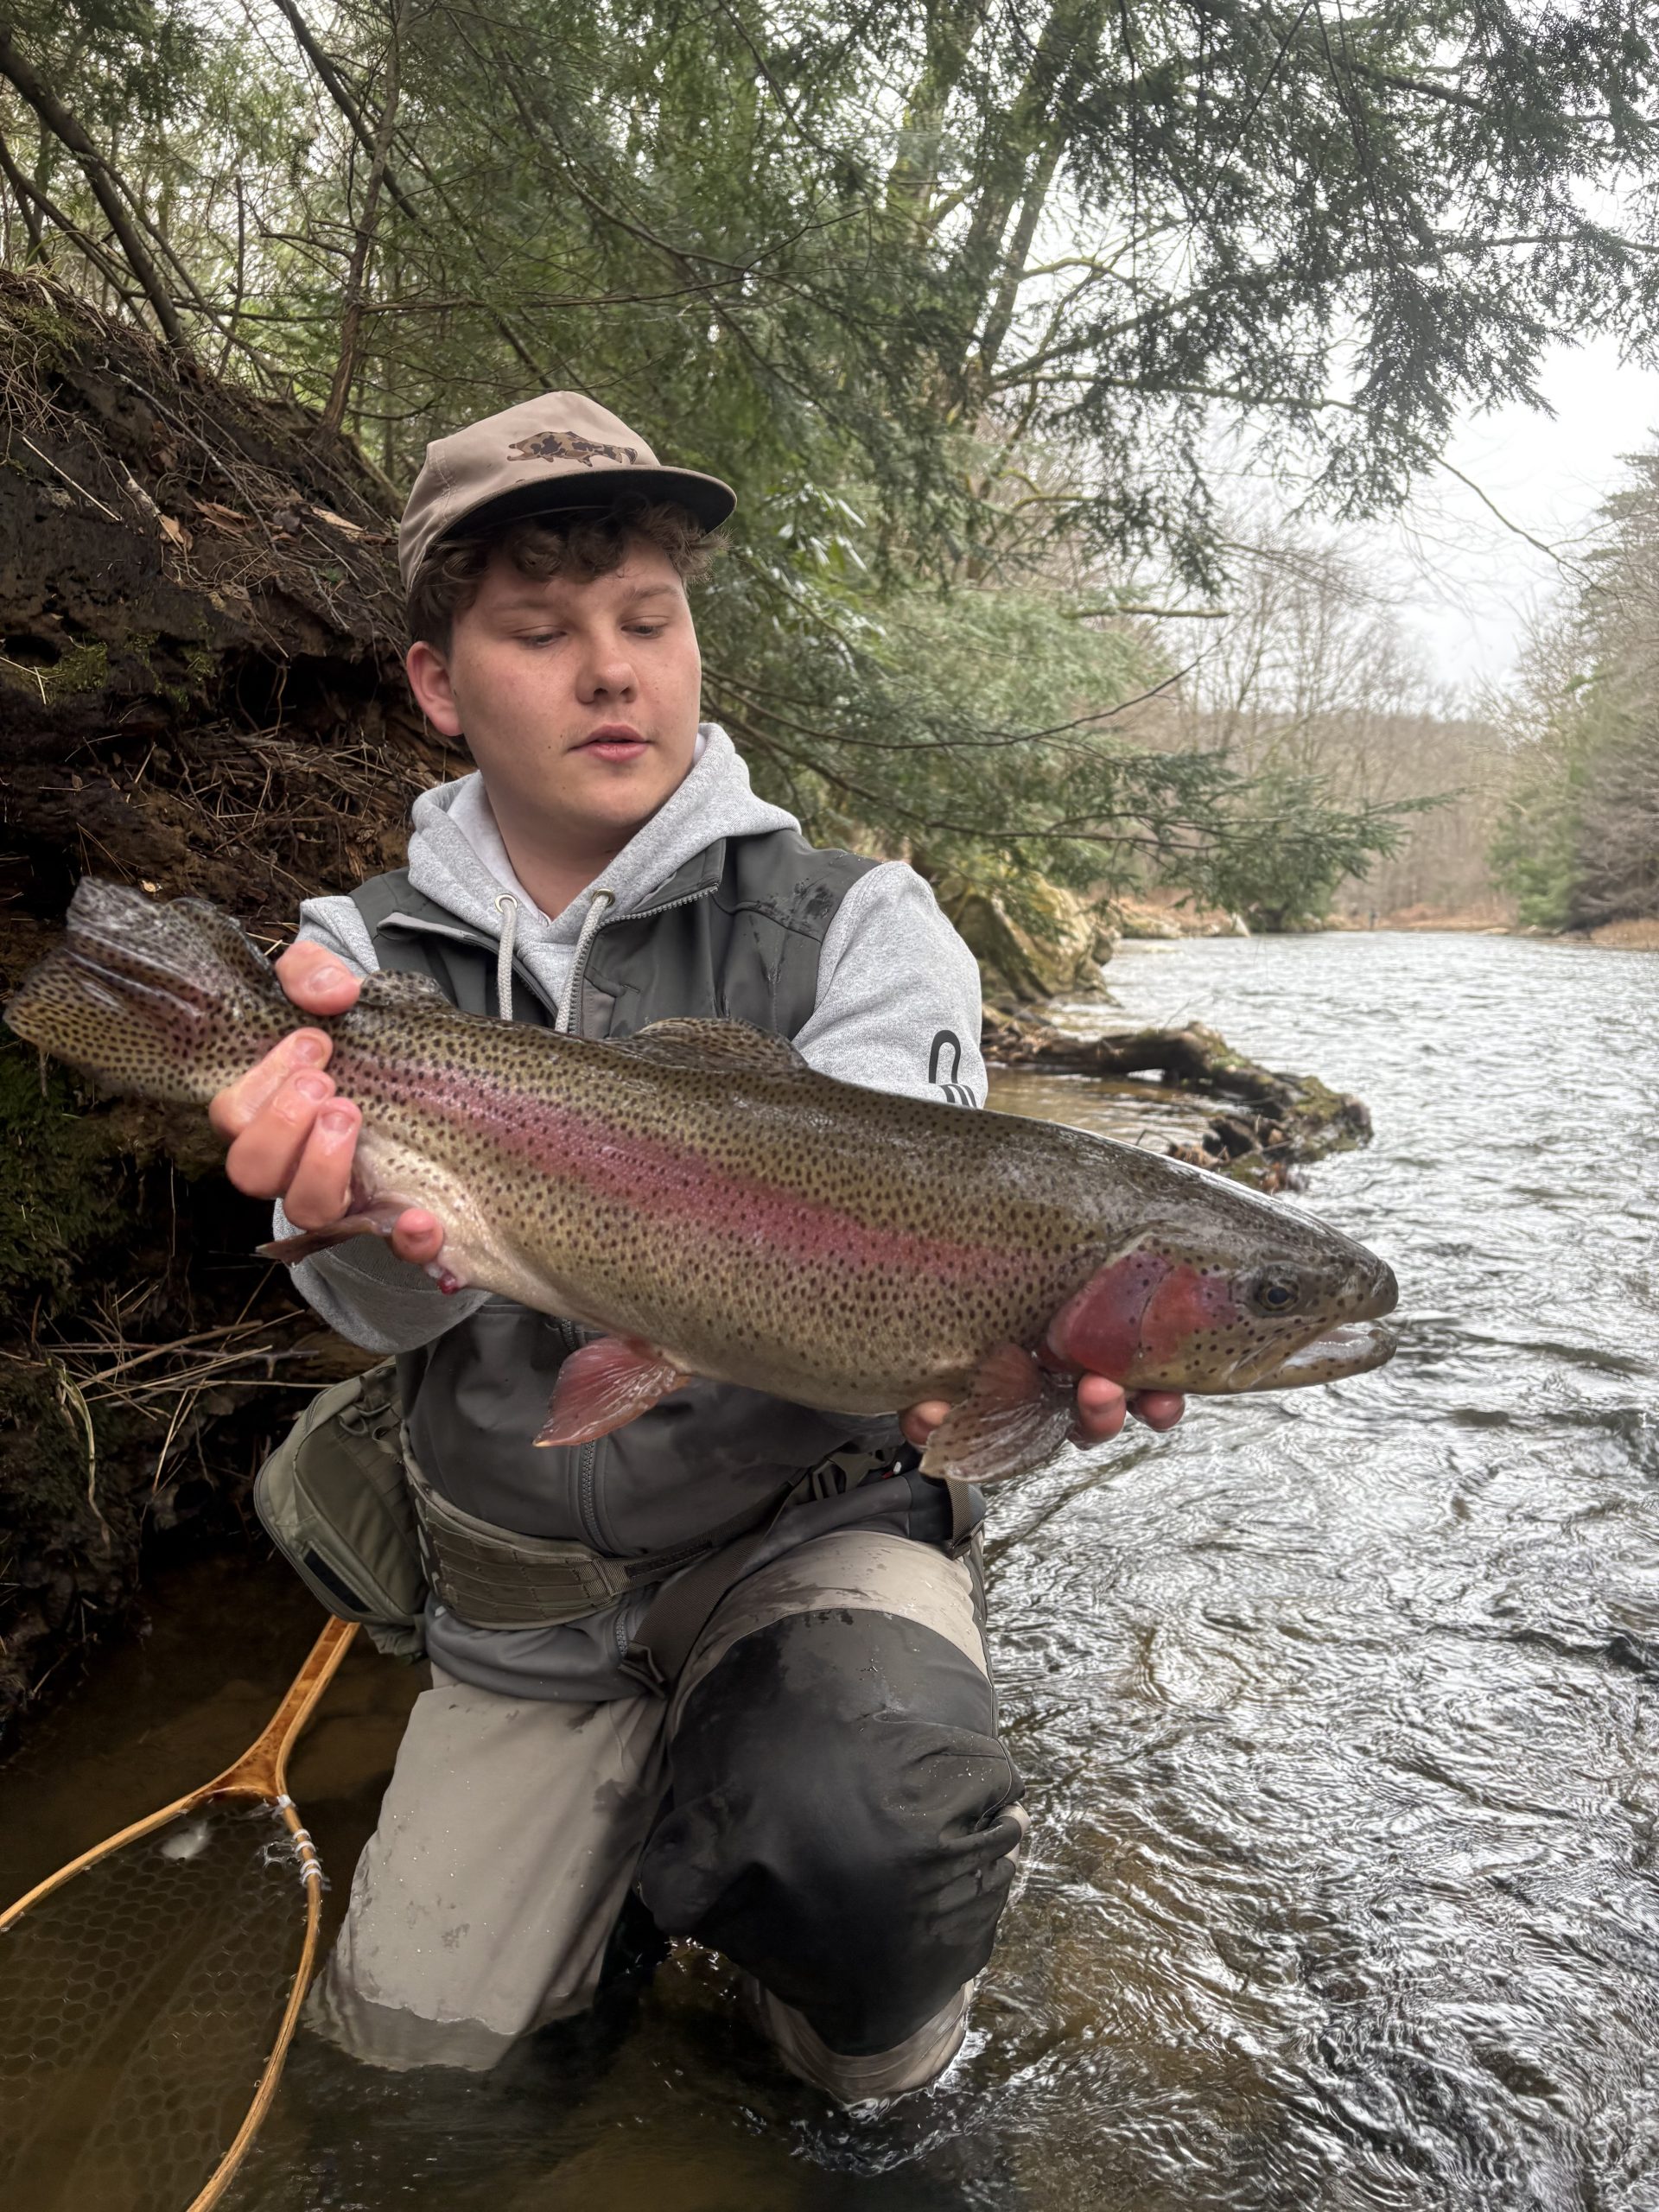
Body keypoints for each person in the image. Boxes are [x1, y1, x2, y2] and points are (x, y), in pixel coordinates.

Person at [210, 392, 1184, 2102]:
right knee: (410, 2083)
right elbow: (365, 1317)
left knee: (875, 1839)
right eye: (543, 631)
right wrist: (341, 1218)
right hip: (522, 1607)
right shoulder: (353, 965)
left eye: (650, 622)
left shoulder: (862, 927)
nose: (614, 671)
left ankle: (849, 2040)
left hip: (794, 1550)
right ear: (439, 683)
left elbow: (905, 1252)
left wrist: (1015, 1376)